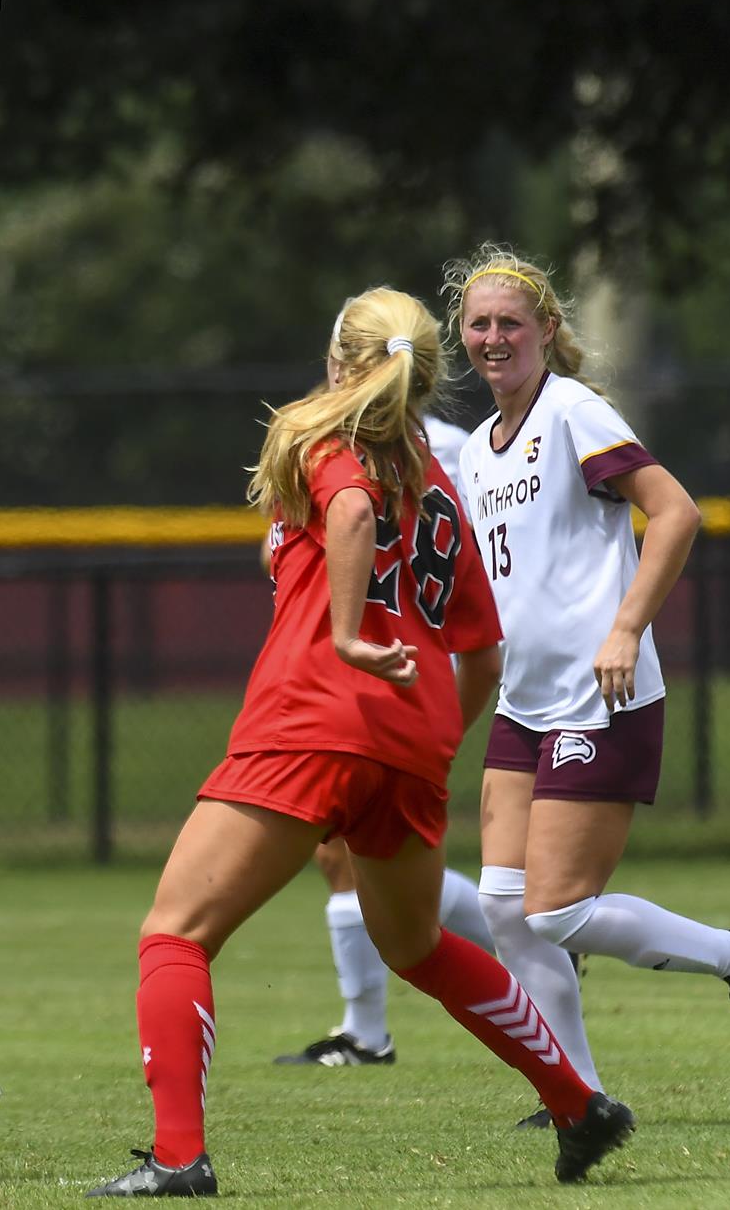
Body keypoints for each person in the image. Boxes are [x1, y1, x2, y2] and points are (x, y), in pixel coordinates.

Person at [87, 288, 634, 1198]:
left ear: (342, 361)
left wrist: (344, 634)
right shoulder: (440, 480)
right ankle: (579, 1104)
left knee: (174, 933)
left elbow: (346, 514)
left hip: (315, 715)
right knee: (417, 943)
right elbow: (483, 650)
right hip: (410, 732)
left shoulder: (323, 436)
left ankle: (180, 1159)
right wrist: (435, 741)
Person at [448, 247, 730, 1127]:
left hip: (599, 696)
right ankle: (581, 1094)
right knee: (501, 904)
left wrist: (626, 626)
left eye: (511, 323)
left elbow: (676, 510)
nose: (494, 338)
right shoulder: (478, 452)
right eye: (480, 324)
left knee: (558, 909)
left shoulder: (571, 410)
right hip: (526, 699)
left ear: (547, 331)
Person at [259, 418, 502, 1070]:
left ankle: (368, 1030)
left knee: (180, 927)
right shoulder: (332, 438)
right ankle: (523, 954)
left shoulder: (421, 447)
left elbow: (361, 528)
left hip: (383, 670)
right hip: (367, 679)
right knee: (379, 881)